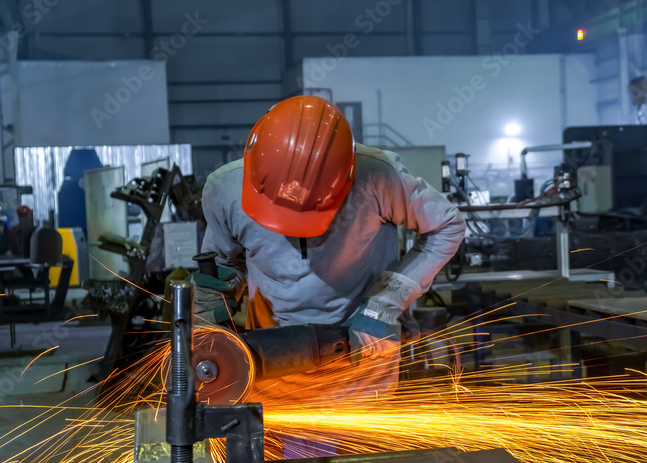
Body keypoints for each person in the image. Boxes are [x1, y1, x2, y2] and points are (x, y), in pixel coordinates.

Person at [199, 95, 466, 402]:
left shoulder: (378, 175)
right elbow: (226, 264)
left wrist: (386, 303)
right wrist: (213, 300)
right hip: (269, 366)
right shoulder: (225, 189)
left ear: (347, 175)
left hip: (362, 369)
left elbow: (447, 225)